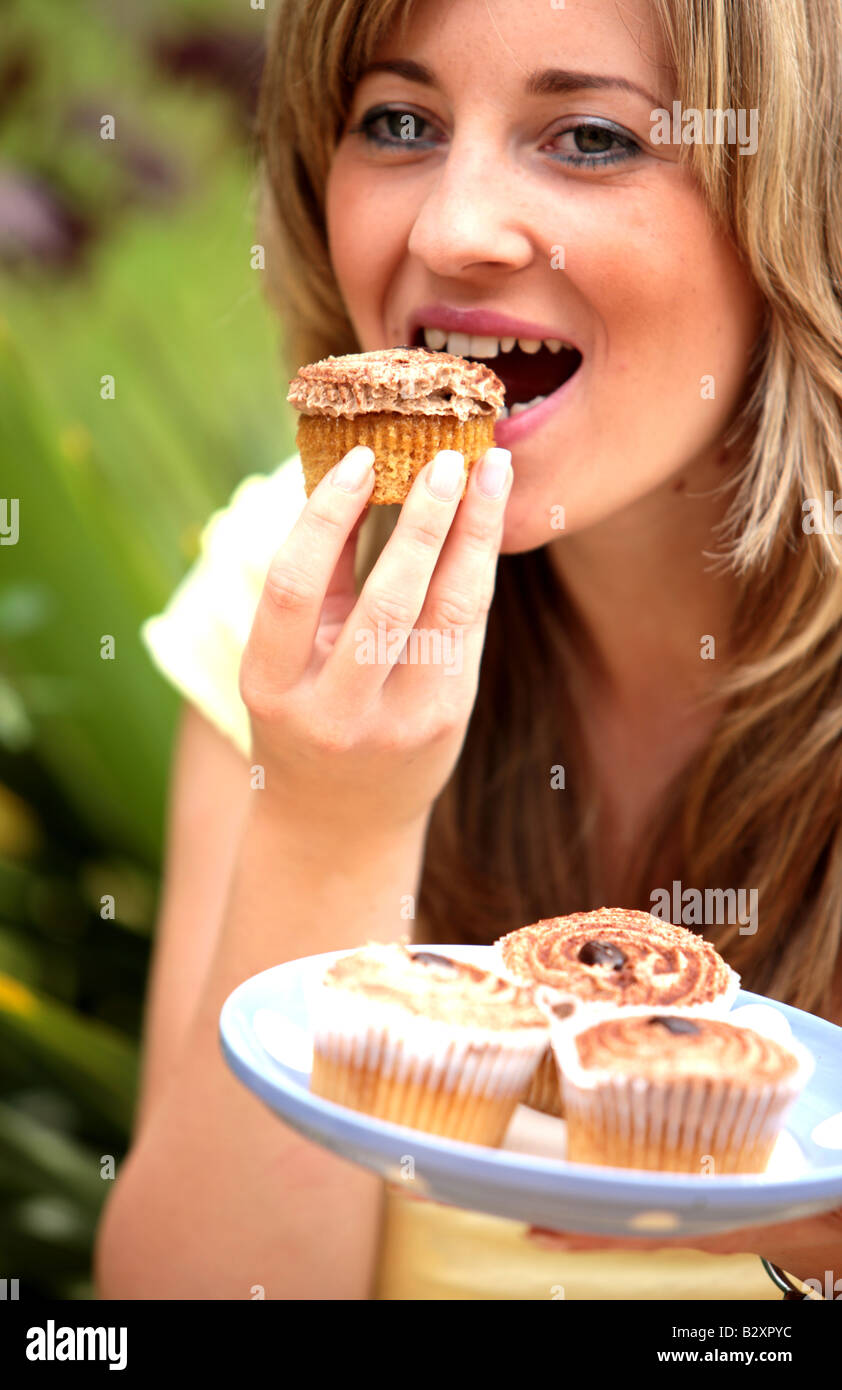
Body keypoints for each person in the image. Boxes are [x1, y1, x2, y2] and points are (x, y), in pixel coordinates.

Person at [93, 0, 842, 1299]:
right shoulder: (303, 590)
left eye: (592, 138)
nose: (449, 230)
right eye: (399, 122)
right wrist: (331, 820)